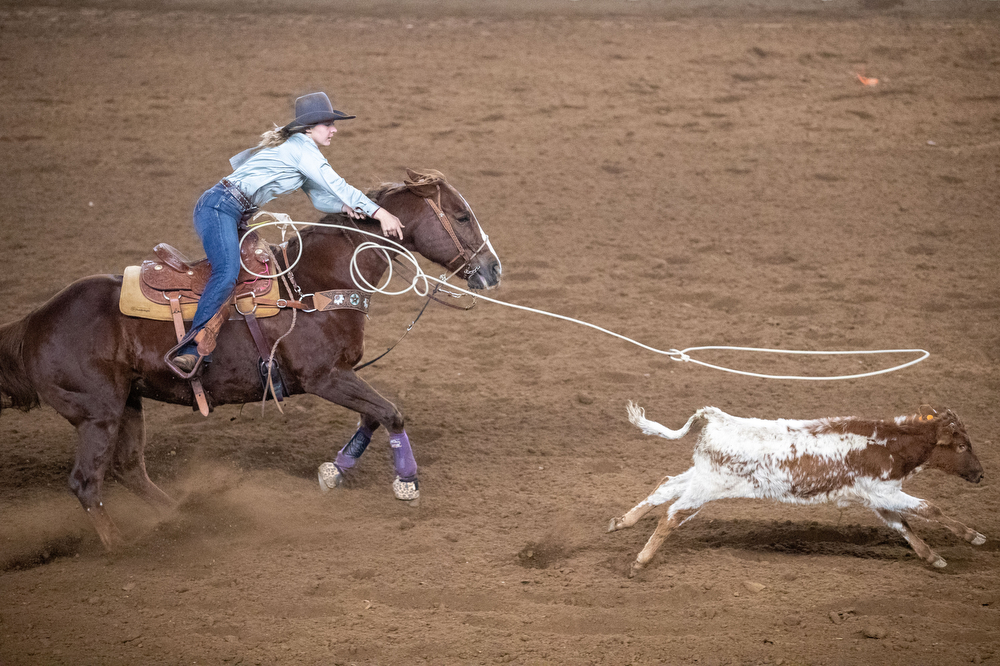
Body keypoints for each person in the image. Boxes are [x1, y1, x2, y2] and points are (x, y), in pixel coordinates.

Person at [170, 92, 403, 374]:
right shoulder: (302, 148)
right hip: (219, 208)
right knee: (227, 272)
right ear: (309, 128)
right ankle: (190, 348)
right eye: (327, 124)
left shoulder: (300, 151)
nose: (334, 130)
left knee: (254, 272)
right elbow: (336, 183)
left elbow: (321, 198)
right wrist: (380, 212)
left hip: (230, 210)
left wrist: (345, 205)